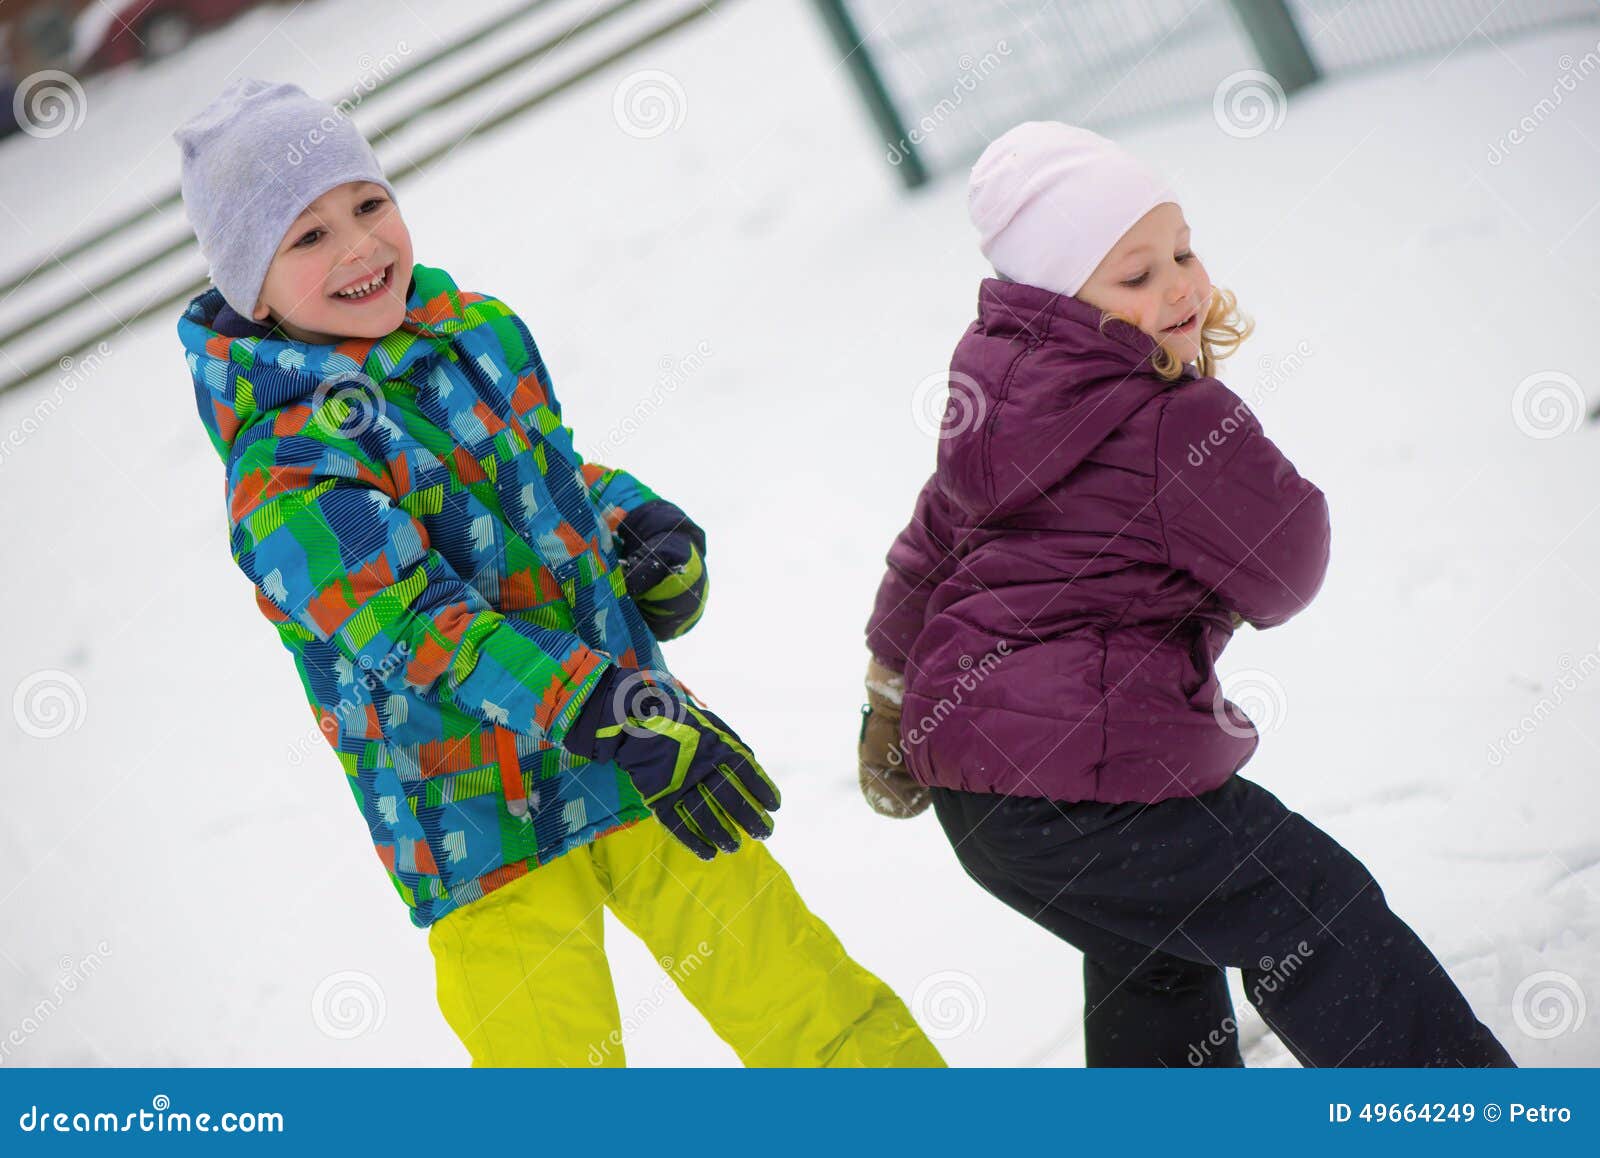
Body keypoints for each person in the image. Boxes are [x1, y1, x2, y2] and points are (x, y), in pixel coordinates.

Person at [174, 76, 943, 1069]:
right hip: (479, 830)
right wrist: (614, 706)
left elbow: (540, 474)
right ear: (250, 282)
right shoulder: (282, 465)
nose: (361, 248)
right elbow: (413, 626)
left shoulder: (475, 334)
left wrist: (635, 527)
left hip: (640, 765)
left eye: (368, 205)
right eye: (307, 237)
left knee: (809, 1006)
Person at [859, 120, 1514, 1068]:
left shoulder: (992, 410)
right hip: (1088, 784)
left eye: (1182, 251)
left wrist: (886, 694)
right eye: (1135, 275)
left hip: (987, 798)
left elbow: (928, 547)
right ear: (1058, 297)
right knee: (1307, 913)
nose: (1177, 287)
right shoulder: (1177, 421)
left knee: (1156, 944)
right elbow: (1287, 566)